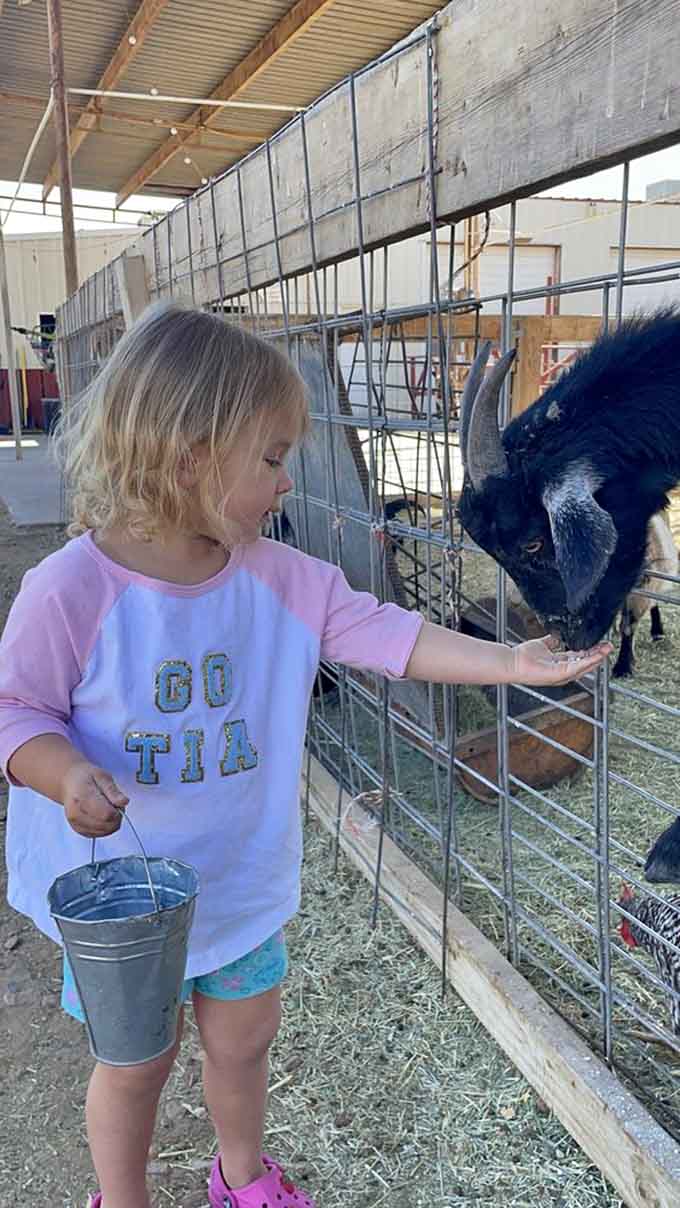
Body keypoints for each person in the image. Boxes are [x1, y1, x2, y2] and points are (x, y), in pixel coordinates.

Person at [0, 303, 612, 1208]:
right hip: (125, 898)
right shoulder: (72, 590)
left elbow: (388, 635)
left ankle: (241, 1177)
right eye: (274, 457)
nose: (289, 482)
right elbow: (18, 713)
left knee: (245, 1042)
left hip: (238, 880)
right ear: (190, 453)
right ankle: (120, 1198)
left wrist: (509, 661)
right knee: (137, 1064)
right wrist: (63, 773)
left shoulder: (283, 579)